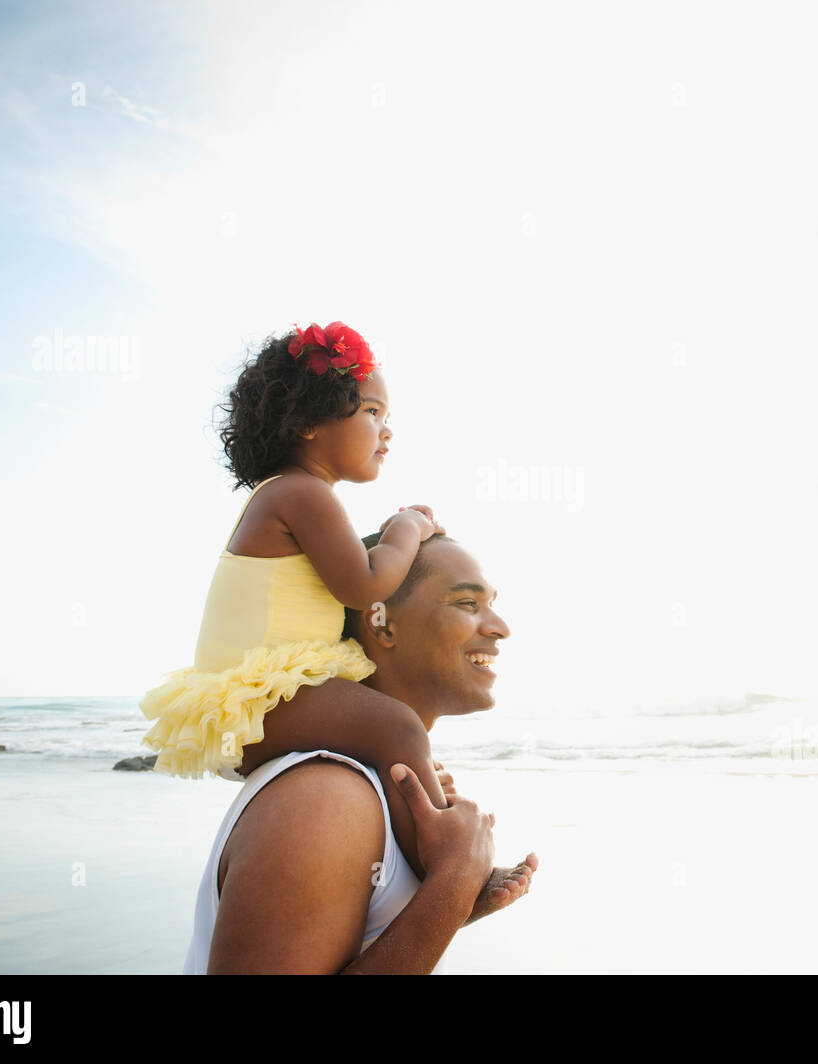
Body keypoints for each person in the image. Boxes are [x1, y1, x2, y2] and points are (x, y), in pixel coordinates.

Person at [138, 319, 468, 882]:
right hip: (262, 704)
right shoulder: (301, 494)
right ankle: (446, 873)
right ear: (310, 420)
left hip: (271, 695)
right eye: (371, 412)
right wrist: (407, 526)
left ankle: (414, 812)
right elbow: (365, 585)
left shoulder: (293, 496)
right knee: (400, 726)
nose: (386, 432)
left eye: (389, 418)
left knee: (389, 730)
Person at [183, 532, 537, 974]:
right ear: (382, 623)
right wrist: (456, 880)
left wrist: (447, 902)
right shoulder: (327, 799)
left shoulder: (373, 789)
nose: (500, 626)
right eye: (468, 604)